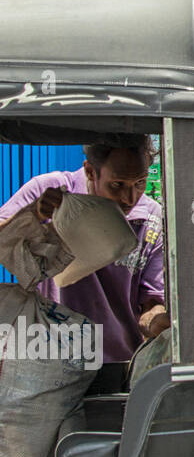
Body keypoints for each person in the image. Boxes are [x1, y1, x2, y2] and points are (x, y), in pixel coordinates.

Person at [0, 136, 168, 380]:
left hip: (116, 367)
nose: (130, 199)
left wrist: (158, 324)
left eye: (139, 183)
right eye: (117, 185)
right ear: (90, 171)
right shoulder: (51, 191)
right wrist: (35, 214)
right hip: (50, 362)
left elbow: (150, 305)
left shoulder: (151, 219)